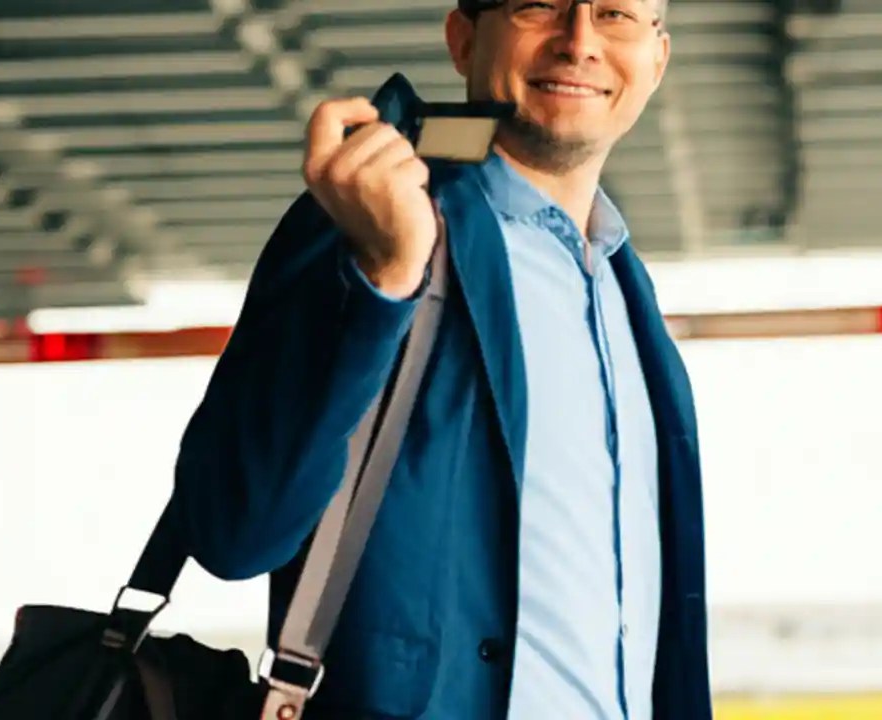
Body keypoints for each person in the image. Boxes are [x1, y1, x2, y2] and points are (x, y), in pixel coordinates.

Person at [171, 0, 711, 718]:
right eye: (538, 7)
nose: (579, 42)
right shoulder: (367, 214)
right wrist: (385, 279)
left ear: (656, 58)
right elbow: (234, 532)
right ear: (463, 39)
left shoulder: (618, 280)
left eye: (615, 14)